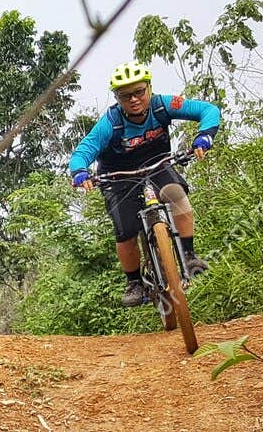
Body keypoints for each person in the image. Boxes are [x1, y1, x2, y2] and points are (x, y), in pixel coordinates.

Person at [68, 61, 221, 306]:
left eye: (139, 92)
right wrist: (80, 172)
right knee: (125, 228)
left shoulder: (163, 105)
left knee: (176, 193)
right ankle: (134, 282)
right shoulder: (111, 122)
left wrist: (204, 135)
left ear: (149, 88)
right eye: (125, 95)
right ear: (117, 98)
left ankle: (189, 254)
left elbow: (208, 110)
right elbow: (84, 151)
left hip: (157, 164)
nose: (134, 99)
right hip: (119, 175)